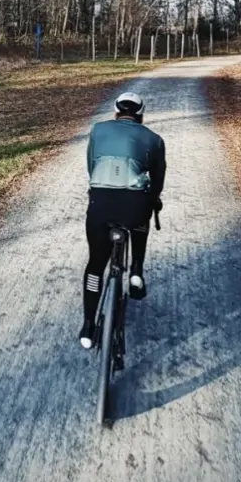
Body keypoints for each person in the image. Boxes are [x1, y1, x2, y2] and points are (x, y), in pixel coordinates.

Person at [79, 90, 166, 349]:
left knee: (96, 265)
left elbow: (91, 165)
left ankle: (87, 326)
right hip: (134, 206)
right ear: (140, 116)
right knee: (143, 211)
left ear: (116, 113)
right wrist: (154, 197)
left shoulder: (97, 130)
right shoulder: (154, 139)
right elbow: (158, 179)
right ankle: (136, 270)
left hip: (101, 203)